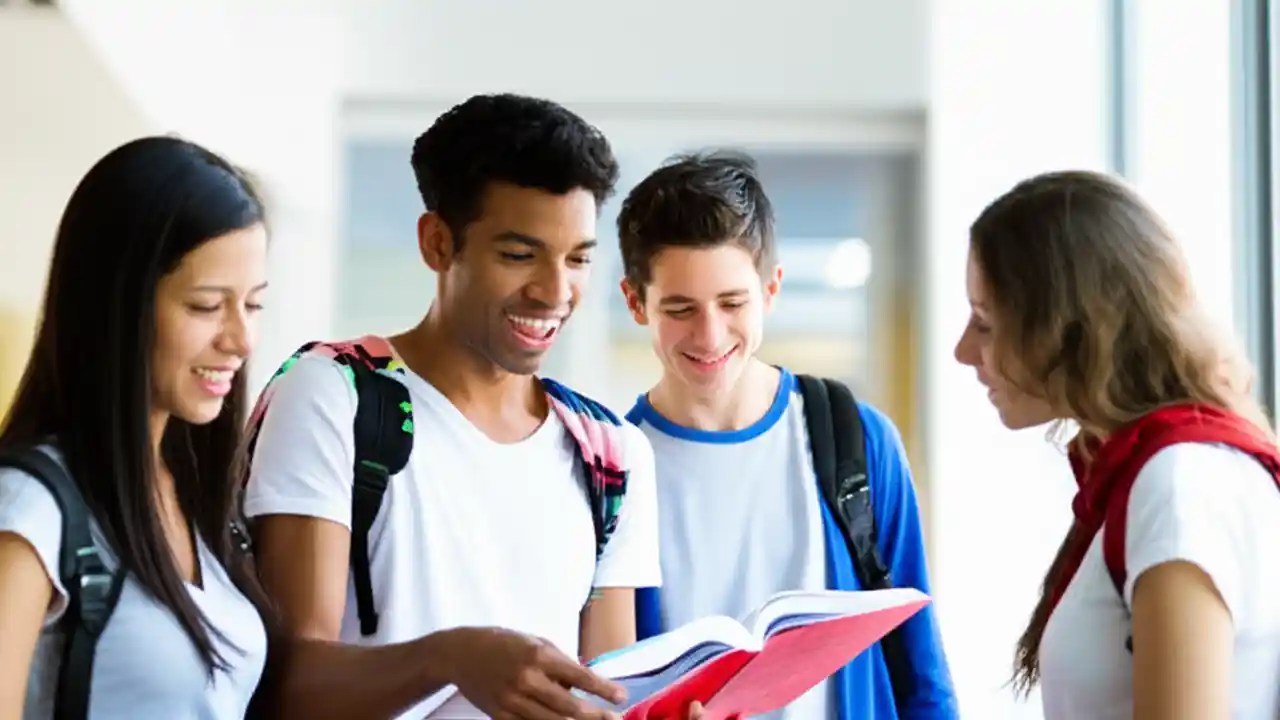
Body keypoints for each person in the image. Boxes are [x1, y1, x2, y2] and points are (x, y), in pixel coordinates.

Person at [242, 93, 663, 720]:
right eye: (519, 255)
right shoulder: (336, 393)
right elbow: (286, 684)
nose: (555, 292)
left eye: (577, 259)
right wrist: (450, 658)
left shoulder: (611, 452)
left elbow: (604, 697)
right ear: (438, 243)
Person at [616, 152, 959, 719]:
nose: (710, 335)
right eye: (680, 308)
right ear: (635, 302)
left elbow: (921, 670)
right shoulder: (615, 471)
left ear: (771, 290)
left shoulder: (856, 440)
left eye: (732, 304)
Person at [954, 170, 1280, 718]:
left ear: (1070, 327)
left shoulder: (1180, 485)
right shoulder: (1161, 472)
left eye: (985, 324)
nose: (964, 352)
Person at [0, 136, 271, 719]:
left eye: (253, 305)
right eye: (205, 306)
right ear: (115, 307)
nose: (241, 341)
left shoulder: (200, 496)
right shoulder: (30, 509)